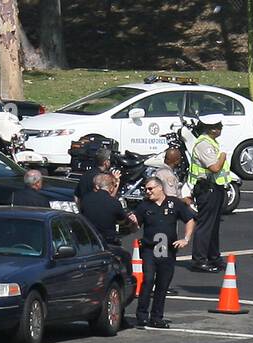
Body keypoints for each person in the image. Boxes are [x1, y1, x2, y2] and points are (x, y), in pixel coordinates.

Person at [125, 176, 196, 329]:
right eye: (145, 189)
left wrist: (186, 238)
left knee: (163, 284)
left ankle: (157, 317)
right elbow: (134, 228)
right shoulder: (144, 206)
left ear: (160, 188)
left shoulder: (174, 203)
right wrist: (133, 223)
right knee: (148, 280)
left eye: (150, 189)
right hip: (150, 249)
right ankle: (142, 315)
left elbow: (190, 219)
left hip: (168, 250)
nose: (147, 192)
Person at [187, 113, 231, 272]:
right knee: (205, 225)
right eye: (218, 126)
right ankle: (199, 260)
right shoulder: (204, 144)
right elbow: (214, 167)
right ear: (211, 129)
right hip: (207, 188)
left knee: (214, 225)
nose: (221, 128)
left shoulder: (211, 142)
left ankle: (213, 256)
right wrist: (223, 156)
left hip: (215, 187)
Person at [79, 172, 129, 248]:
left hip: (89, 240)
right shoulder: (114, 202)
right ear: (111, 187)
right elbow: (122, 220)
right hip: (108, 241)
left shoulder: (85, 199)